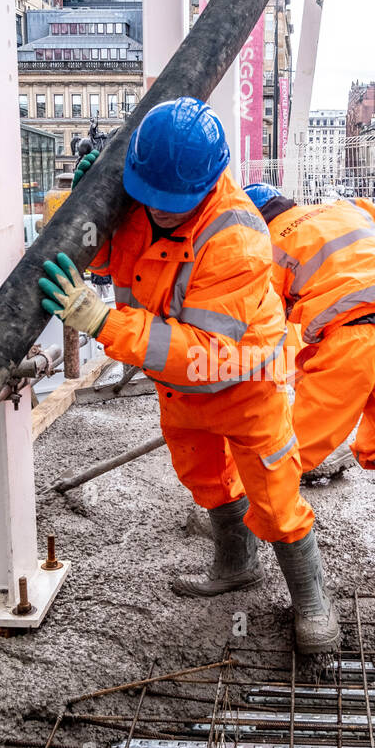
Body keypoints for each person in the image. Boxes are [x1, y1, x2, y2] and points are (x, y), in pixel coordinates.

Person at [37, 97, 340, 652]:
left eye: (172, 203)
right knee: (203, 477)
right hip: (179, 382)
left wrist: (100, 319)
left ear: (210, 181)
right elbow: (103, 255)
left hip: (241, 380)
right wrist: (85, 201)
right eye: (148, 198)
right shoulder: (142, 196)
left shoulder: (237, 238)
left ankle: (310, 598)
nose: (160, 212)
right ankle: (235, 565)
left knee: (273, 492)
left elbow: (205, 348)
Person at [244, 182, 375, 578]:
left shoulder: (267, 248)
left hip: (351, 341)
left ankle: (235, 524)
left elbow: (263, 326)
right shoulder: (350, 209)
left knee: (287, 449)